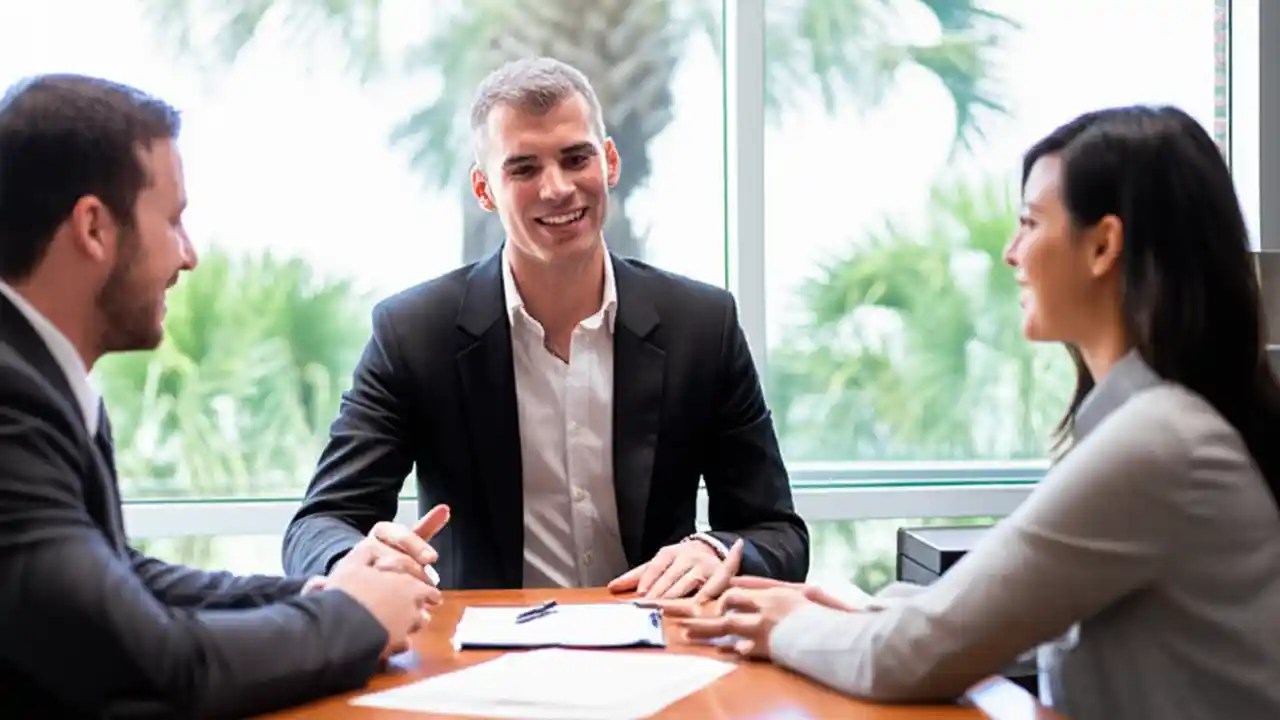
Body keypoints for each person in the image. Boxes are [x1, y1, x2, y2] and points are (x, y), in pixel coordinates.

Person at [673, 105, 1280, 719]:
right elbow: (971, 612)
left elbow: (911, 656)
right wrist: (848, 612)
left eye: (1029, 222)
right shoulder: (1166, 428)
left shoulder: (1160, 442)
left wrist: (782, 628)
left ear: (1102, 245)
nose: (1011, 253)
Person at [0, 74, 443, 718]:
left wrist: (320, 593)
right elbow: (154, 662)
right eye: (174, 219)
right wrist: (352, 619)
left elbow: (121, 577)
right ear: (94, 228)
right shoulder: (12, 402)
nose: (189, 255)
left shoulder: (35, 375)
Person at [283, 56, 808, 597]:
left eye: (575, 158)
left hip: (662, 649)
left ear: (608, 161)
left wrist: (714, 550)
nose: (556, 188)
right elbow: (318, 526)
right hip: (479, 660)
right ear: (485, 190)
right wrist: (356, 562)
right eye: (524, 168)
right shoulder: (414, 334)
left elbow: (778, 533)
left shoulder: (702, 325)